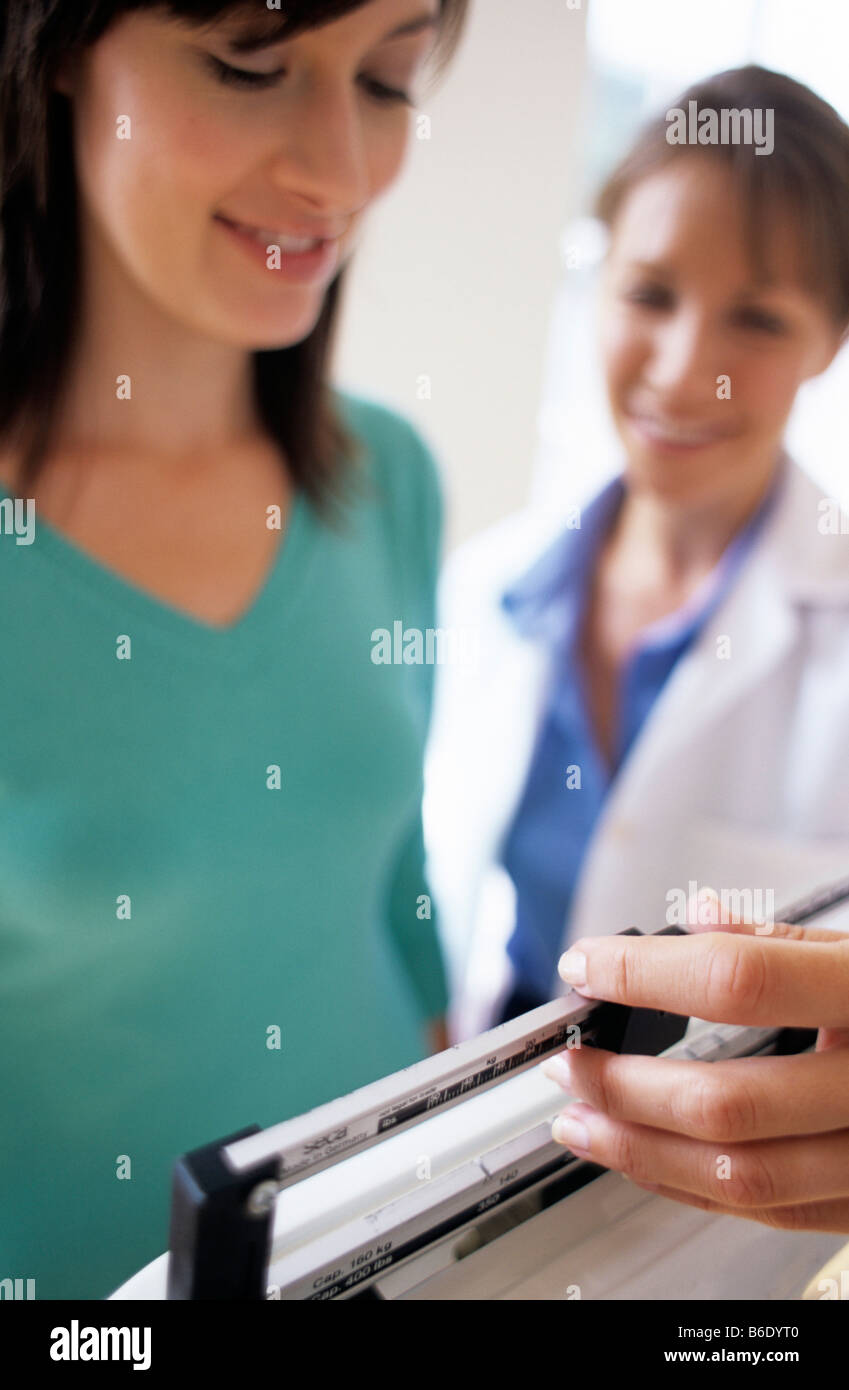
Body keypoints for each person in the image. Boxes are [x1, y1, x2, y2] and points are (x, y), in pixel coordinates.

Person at [0, 0, 467, 1299]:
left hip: (393, 1250)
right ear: (52, 59)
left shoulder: (390, 479)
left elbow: (396, 887)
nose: (339, 168)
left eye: (388, 79)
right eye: (247, 64)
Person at [425, 66, 849, 1232]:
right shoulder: (488, 585)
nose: (680, 367)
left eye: (758, 318)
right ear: (596, 278)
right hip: (460, 1198)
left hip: (713, 1253)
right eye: (650, 292)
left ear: (830, 341)